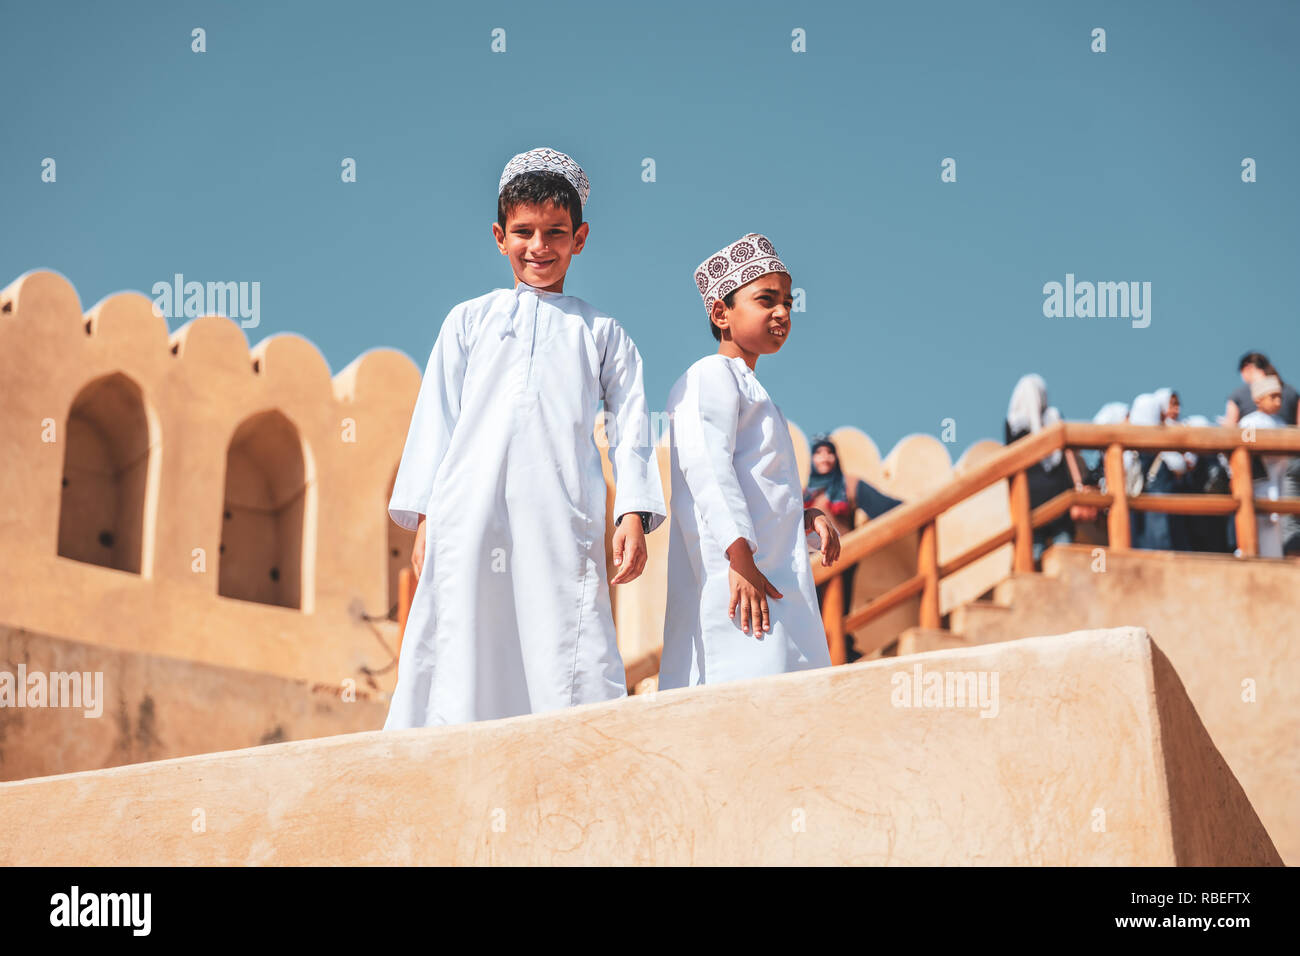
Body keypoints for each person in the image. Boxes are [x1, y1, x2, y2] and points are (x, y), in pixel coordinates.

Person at [383, 147, 666, 728]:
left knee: (564, 620)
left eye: (555, 232)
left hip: (559, 509)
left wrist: (633, 512)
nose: (540, 246)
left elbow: (632, 427)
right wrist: (428, 515)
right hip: (470, 505)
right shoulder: (469, 320)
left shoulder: (602, 333)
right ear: (499, 236)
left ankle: (572, 751)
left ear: (580, 238)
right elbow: (436, 415)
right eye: (524, 232)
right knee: (464, 620)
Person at [660, 233, 840, 689]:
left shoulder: (758, 394)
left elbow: (761, 488)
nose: (782, 312)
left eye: (787, 302)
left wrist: (805, 516)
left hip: (774, 581)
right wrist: (739, 558)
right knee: (743, 698)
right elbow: (707, 468)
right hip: (737, 579)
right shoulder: (710, 375)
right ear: (722, 313)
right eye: (766, 300)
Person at [803, 434, 901, 662]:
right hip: (810, 564)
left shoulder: (849, 484)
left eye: (829, 452)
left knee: (838, 609)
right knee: (813, 615)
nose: (825, 458)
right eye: (819, 453)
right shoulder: (805, 493)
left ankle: (843, 651)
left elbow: (885, 507)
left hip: (841, 558)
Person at [1003, 374, 1093, 561]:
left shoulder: (1014, 425)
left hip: (1031, 502)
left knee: (1035, 551)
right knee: (1064, 553)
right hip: (1058, 498)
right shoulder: (1054, 420)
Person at [1127, 392, 1191, 551]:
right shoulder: (1162, 445)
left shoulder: (1127, 447)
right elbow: (1180, 466)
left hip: (1134, 509)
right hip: (1160, 512)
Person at [1239, 375, 1292, 557]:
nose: (1278, 401)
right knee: (1257, 526)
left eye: (1279, 397)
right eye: (1273, 397)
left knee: (1276, 530)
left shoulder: (1281, 424)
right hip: (1258, 484)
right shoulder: (1249, 423)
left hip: (1279, 483)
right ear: (1258, 399)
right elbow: (1246, 448)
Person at [1224, 352, 1299, 425]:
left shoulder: (1238, 395)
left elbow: (1230, 426)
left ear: (1248, 367)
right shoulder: (1292, 392)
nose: (1278, 402)